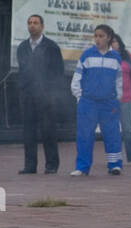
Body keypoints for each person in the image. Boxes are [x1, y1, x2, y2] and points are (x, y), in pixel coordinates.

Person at [70, 24, 123, 176]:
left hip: (109, 103)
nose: (98, 39)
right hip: (88, 102)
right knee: (84, 135)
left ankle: (115, 165)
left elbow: (119, 81)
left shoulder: (116, 58)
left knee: (112, 134)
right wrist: (79, 96)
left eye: (101, 36)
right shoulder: (87, 55)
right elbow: (77, 78)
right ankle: (82, 167)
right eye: (96, 36)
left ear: (109, 38)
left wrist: (117, 98)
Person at [16, 15, 63, 173]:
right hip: (28, 96)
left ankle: (51, 165)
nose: (32, 26)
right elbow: (22, 71)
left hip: (46, 96)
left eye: (35, 23)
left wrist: (52, 93)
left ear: (42, 26)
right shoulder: (22, 47)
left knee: (48, 131)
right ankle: (30, 166)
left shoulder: (51, 47)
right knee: (28, 132)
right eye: (29, 23)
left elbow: (58, 73)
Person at [111, 34, 131, 167]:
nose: (113, 44)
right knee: (112, 129)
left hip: (126, 98)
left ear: (120, 42)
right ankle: (113, 158)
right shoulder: (106, 57)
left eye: (115, 41)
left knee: (128, 128)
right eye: (111, 42)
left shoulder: (129, 58)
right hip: (110, 99)